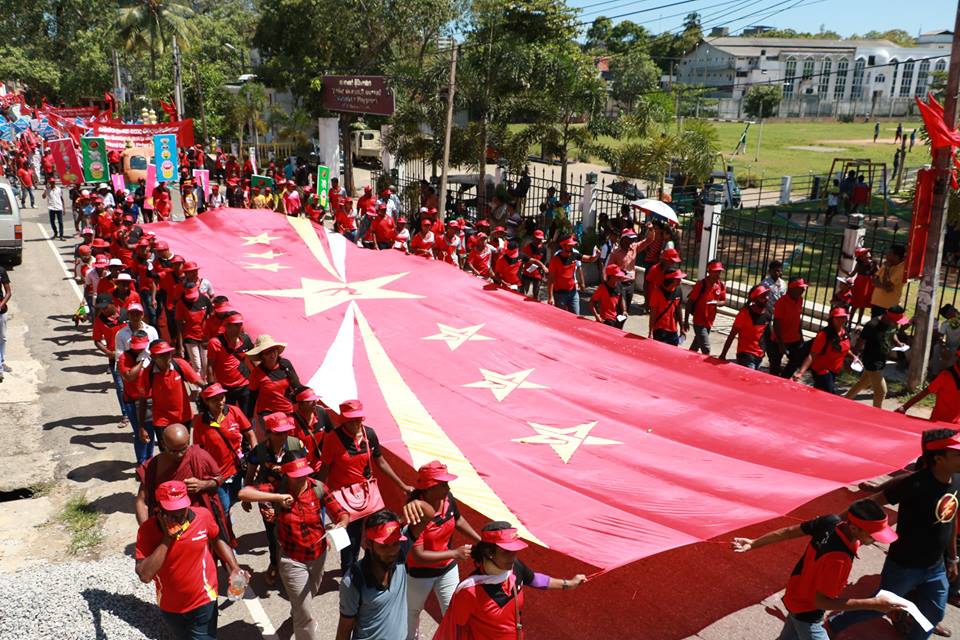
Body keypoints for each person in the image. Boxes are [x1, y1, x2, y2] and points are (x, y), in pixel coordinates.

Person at [828, 429, 960, 640]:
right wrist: (835, 524)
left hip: (936, 567)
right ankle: (836, 623)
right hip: (904, 565)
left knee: (934, 612)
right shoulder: (915, 483)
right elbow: (870, 502)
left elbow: (950, 518)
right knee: (879, 605)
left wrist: (952, 557)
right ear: (939, 459)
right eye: (957, 455)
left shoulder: (957, 480)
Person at [731, 499, 902, 640]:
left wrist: (754, 543)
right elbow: (822, 602)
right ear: (854, 528)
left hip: (796, 596)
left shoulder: (830, 521)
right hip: (808, 613)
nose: (876, 540)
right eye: (872, 535)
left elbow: (789, 532)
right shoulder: (839, 559)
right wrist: (873, 604)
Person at [240, 451, 349, 640]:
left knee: (308, 597)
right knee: (304, 614)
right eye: (295, 477)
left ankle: (297, 612)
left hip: (318, 556)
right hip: (292, 560)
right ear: (286, 474)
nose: (300, 480)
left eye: (303, 475)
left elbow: (341, 513)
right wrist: (278, 499)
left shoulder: (318, 488)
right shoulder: (277, 489)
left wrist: (342, 523)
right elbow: (243, 493)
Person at [434, 521, 587, 640]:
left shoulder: (515, 568)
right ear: (489, 552)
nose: (512, 557)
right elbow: (456, 629)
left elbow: (534, 579)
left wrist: (569, 583)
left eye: (514, 551)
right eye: (506, 552)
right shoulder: (469, 591)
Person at [136, 480, 244, 640]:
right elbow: (145, 575)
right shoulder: (147, 531)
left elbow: (217, 539)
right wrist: (167, 538)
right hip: (170, 605)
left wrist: (234, 566)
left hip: (204, 598)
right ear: (158, 509)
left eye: (182, 509)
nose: (179, 516)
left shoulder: (202, 516)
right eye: (172, 512)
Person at [318, 399, 414, 571]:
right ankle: (348, 575)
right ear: (342, 419)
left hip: (368, 495)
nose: (355, 423)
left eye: (358, 419)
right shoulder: (332, 438)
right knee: (349, 542)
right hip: (343, 499)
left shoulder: (369, 434)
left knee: (379, 533)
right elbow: (324, 469)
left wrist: (403, 485)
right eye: (350, 419)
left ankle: (373, 569)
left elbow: (381, 462)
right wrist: (317, 494)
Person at [404, 461, 481, 640]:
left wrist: (480, 540)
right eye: (443, 484)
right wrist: (455, 553)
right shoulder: (417, 512)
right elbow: (419, 555)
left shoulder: (448, 498)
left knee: (453, 613)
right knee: (412, 612)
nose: (448, 486)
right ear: (429, 489)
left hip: (447, 569)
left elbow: (458, 520)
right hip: (419, 574)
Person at [336, 505, 437, 640]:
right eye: (384, 546)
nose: (391, 551)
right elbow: (344, 630)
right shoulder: (352, 581)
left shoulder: (400, 555)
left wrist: (417, 503)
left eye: (395, 543)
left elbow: (428, 515)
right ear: (368, 544)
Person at [243, 412, 306, 587]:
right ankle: (275, 563)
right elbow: (250, 474)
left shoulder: (297, 445)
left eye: (286, 432)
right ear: (269, 432)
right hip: (268, 497)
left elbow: (304, 472)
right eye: (278, 433)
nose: (283, 436)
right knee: (272, 533)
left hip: (291, 494)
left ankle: (296, 566)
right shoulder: (259, 451)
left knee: (293, 529)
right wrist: (247, 497)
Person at [135, 424, 227, 530]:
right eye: (173, 451)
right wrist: (147, 530)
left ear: (188, 442)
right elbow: (142, 501)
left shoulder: (199, 455)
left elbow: (219, 478)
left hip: (196, 522)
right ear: (163, 444)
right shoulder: (153, 466)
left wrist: (203, 484)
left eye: (183, 449)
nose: (179, 455)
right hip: (168, 524)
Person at [192, 383, 256, 517]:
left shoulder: (234, 411)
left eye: (222, 397)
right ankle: (227, 531)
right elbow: (198, 450)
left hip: (237, 469)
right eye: (215, 399)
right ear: (206, 401)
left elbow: (249, 433)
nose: (220, 402)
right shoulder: (200, 422)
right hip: (216, 475)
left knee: (234, 498)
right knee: (223, 507)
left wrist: (256, 454)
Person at [137, 341, 204, 445]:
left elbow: (200, 383)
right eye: (162, 355)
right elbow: (142, 400)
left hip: (184, 417)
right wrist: (141, 427)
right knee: (166, 452)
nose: (167, 357)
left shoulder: (180, 364)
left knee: (183, 449)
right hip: (162, 421)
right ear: (154, 357)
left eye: (168, 353)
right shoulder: (147, 373)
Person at [844, 305, 909, 408]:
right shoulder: (872, 325)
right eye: (896, 320)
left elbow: (893, 333)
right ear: (889, 317)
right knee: (881, 392)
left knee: (863, 382)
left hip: (882, 358)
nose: (897, 323)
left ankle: (844, 400)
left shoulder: (892, 323)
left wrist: (898, 343)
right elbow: (861, 341)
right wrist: (854, 357)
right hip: (871, 360)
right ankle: (876, 413)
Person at [793, 307, 852, 394]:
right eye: (838, 317)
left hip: (834, 371)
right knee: (829, 395)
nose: (842, 320)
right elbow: (812, 355)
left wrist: (853, 357)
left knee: (818, 395)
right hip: (822, 371)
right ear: (832, 319)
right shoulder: (824, 335)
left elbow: (845, 348)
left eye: (843, 317)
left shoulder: (844, 333)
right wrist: (801, 373)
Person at [117, 330, 154, 464]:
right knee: (140, 432)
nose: (139, 350)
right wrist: (141, 362)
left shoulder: (151, 356)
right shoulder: (124, 358)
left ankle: (150, 460)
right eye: (137, 347)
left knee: (150, 431)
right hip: (132, 401)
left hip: (149, 400)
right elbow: (129, 377)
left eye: (142, 347)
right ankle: (141, 462)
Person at [247, 334, 301, 426]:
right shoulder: (256, 373)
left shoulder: (285, 364)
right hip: (268, 415)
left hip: (288, 412)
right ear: (262, 356)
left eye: (273, 350)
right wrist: (249, 417)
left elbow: (297, 386)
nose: (272, 355)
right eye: (267, 352)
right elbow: (252, 396)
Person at [206, 312, 253, 412]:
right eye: (236, 325)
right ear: (227, 326)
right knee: (225, 417)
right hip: (225, 388)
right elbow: (210, 366)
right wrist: (211, 387)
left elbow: (254, 359)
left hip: (245, 385)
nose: (239, 327)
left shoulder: (246, 339)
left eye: (240, 324)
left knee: (247, 417)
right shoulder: (215, 343)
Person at [897, 352, 960, 423]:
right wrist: (905, 407)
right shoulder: (946, 375)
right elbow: (925, 392)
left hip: (956, 424)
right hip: (939, 423)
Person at [720, 285, 771, 369]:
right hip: (746, 355)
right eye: (763, 296)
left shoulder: (767, 313)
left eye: (767, 295)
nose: (767, 298)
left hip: (759, 355)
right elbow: (732, 334)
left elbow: (767, 335)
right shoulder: (745, 313)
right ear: (755, 299)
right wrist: (723, 354)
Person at [770, 277, 808, 378]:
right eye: (800, 288)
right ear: (792, 288)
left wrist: (801, 336)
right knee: (774, 367)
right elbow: (776, 324)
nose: (803, 290)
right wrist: (781, 344)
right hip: (779, 340)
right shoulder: (781, 303)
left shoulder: (800, 300)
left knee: (796, 360)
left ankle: (784, 379)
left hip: (794, 339)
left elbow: (797, 319)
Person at [685, 260, 726, 355]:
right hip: (699, 321)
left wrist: (717, 303)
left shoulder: (721, 285)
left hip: (709, 321)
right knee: (706, 348)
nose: (718, 274)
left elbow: (723, 301)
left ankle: (686, 361)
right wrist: (686, 321)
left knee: (696, 345)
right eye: (715, 271)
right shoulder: (701, 284)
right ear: (709, 271)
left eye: (719, 272)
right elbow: (689, 303)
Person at [647, 267, 686, 345]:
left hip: (673, 331)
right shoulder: (657, 292)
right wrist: (650, 331)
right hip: (660, 330)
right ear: (671, 280)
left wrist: (682, 327)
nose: (680, 281)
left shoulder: (678, 290)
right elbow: (653, 313)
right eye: (678, 279)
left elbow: (679, 309)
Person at [850, 247, 877, 325]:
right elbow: (852, 274)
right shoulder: (859, 264)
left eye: (868, 252)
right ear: (861, 257)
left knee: (863, 305)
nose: (868, 253)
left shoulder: (874, 263)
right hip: (859, 284)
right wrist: (842, 270)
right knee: (855, 304)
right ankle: (849, 321)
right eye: (865, 253)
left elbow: (878, 273)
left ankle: (858, 322)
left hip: (868, 285)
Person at [935, 304, 960, 374]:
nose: (956, 310)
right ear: (948, 315)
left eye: (955, 308)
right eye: (953, 310)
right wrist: (944, 347)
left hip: (958, 348)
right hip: (949, 347)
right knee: (936, 348)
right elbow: (940, 336)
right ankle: (935, 373)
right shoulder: (945, 324)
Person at [0, 263, 8, 383]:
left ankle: (1, 362)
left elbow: (8, 292)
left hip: (1, 312)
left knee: (3, 339)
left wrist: (1, 305)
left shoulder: (1, 271)